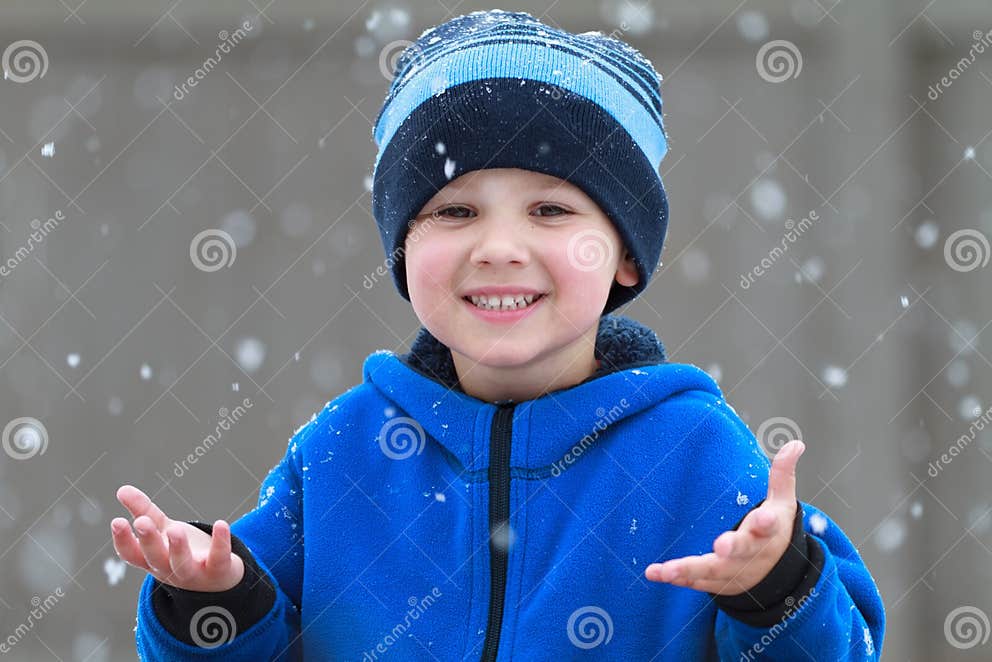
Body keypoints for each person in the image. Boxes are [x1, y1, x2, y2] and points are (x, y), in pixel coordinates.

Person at [112, 9, 885, 660]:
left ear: (623, 255)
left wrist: (777, 587)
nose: (500, 247)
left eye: (551, 210)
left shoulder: (695, 452)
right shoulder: (344, 451)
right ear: (404, 251)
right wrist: (214, 602)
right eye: (454, 211)